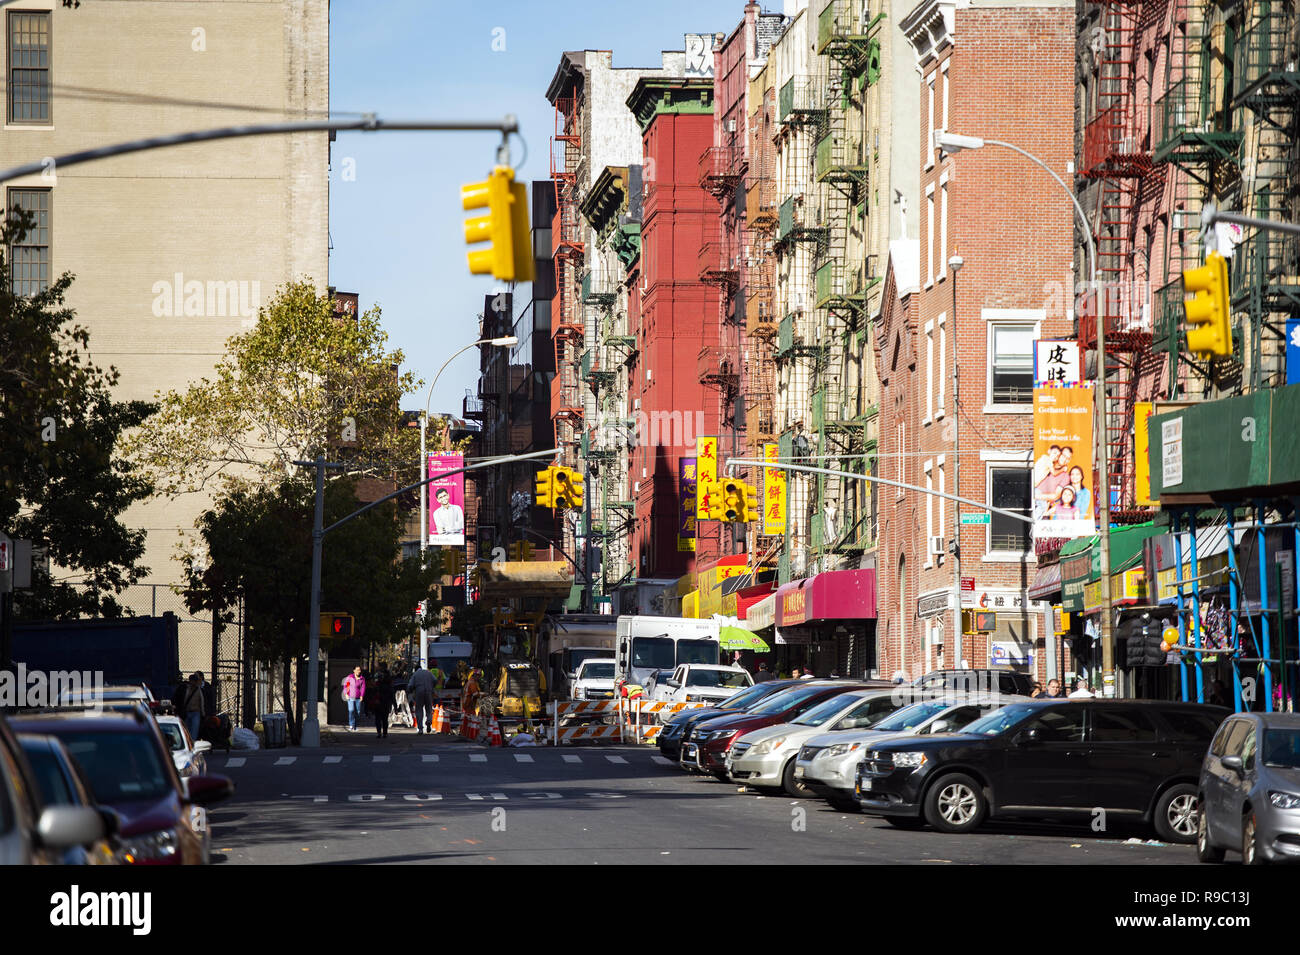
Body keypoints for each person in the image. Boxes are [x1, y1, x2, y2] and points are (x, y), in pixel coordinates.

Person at [407, 662, 436, 734]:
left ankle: (420, 729)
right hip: (429, 691)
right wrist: (432, 686)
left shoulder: (415, 674)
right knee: (429, 708)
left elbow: (410, 685)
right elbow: (435, 680)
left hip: (419, 692)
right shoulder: (428, 672)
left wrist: (410, 691)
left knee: (419, 710)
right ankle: (429, 720)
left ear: (416, 669)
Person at [372, 664, 395, 738]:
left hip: (378, 702)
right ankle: (384, 733)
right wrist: (395, 705)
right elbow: (392, 695)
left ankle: (379, 733)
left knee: (378, 718)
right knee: (385, 718)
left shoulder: (376, 684)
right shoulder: (389, 685)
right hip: (386, 703)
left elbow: (372, 694)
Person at [181, 673, 206, 739]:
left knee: (194, 732)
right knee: (187, 731)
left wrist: (203, 713)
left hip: (196, 712)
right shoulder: (185, 689)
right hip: (187, 712)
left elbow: (202, 702)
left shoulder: (200, 690)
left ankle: (192, 744)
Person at [342, 665, 366, 732]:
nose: (359, 671)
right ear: (354, 670)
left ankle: (355, 726)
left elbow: (363, 688)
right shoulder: (350, 677)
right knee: (351, 710)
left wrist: (362, 695)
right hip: (351, 696)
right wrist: (346, 694)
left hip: (358, 697)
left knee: (357, 712)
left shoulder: (362, 678)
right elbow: (345, 686)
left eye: (359, 670)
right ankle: (351, 725)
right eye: (357, 670)